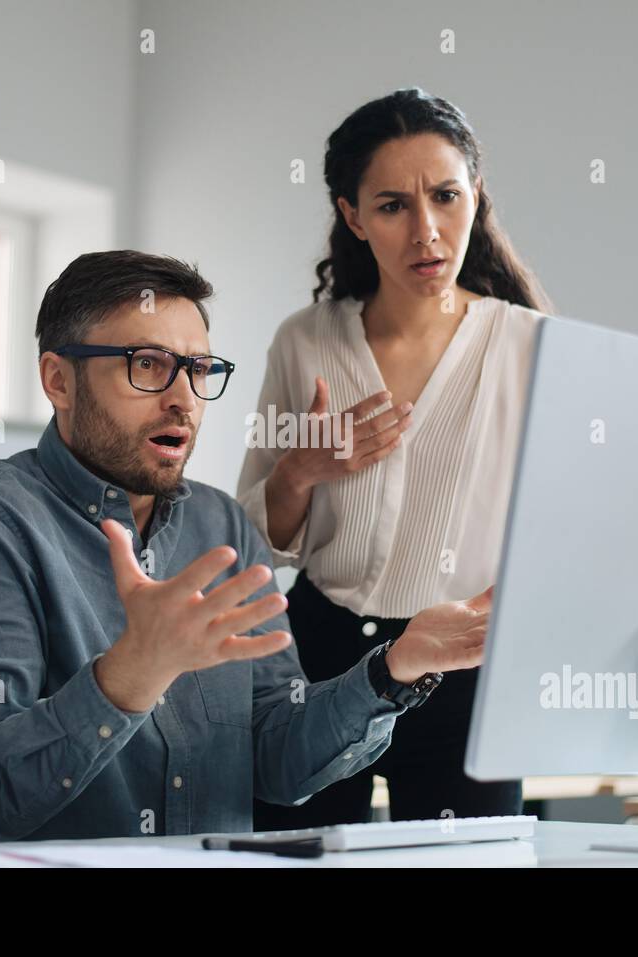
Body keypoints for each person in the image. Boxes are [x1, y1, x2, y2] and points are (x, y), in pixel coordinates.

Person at [0, 249, 493, 842]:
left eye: (199, 370)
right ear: (58, 380)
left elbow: (277, 761)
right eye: (147, 365)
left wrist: (394, 669)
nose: (182, 399)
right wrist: (129, 675)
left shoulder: (221, 526)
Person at [238, 89, 552, 829]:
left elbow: (566, 529)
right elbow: (250, 541)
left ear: (475, 195)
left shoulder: (531, 349)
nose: (427, 232)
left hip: (464, 668)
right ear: (351, 215)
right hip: (315, 658)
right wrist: (303, 470)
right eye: (391, 206)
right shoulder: (304, 342)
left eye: (446, 196)